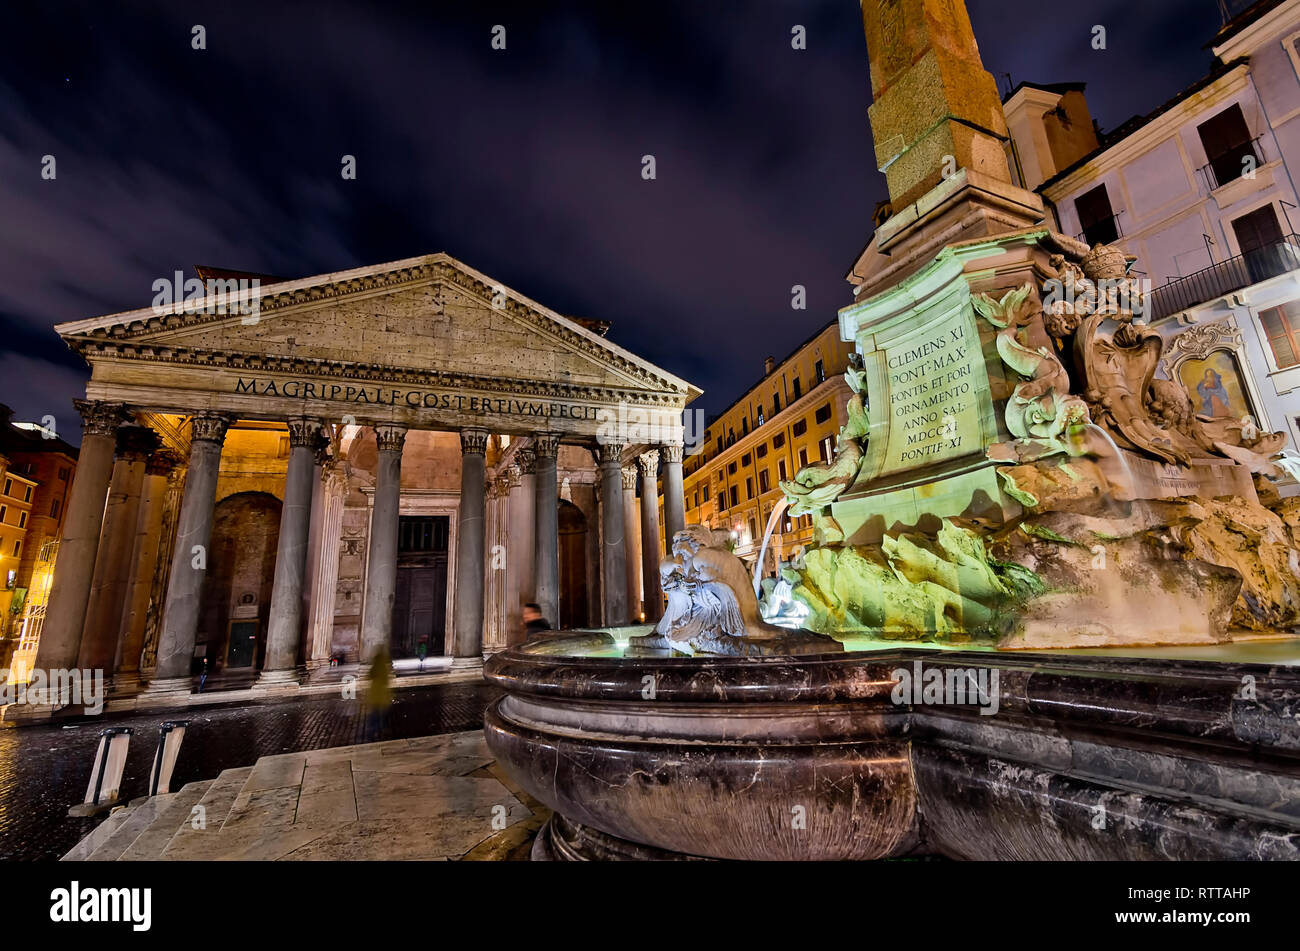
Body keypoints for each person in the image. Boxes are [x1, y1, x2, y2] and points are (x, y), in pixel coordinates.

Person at [361, 644, 394, 743]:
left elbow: (368, 676)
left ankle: (371, 732)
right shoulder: (383, 668)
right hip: (382, 695)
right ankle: (380, 731)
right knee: (381, 715)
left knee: (374, 714)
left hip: (375, 694)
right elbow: (386, 681)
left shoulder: (374, 667)